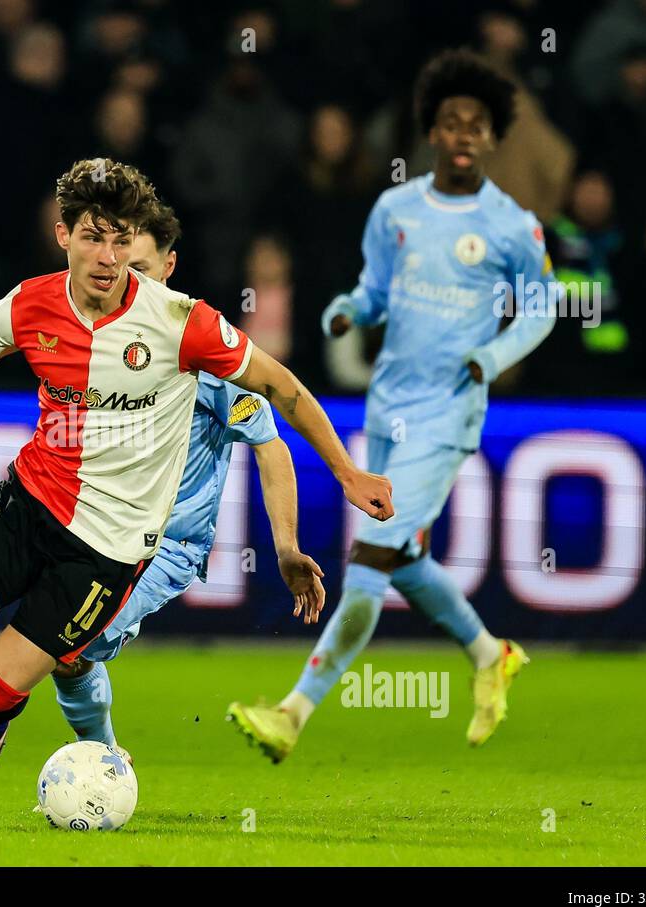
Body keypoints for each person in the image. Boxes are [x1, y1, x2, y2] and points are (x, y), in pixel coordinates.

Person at [0, 157, 392, 823]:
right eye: (94, 236)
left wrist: (345, 471)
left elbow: (281, 387)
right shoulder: (28, 305)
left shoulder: (183, 323)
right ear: (65, 236)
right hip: (27, 505)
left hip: (107, 552)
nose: (108, 256)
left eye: (121, 239)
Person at [0, 201, 324, 798]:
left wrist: (285, 545)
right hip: (83, 524)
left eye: (142, 266)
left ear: (169, 266)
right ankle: (97, 756)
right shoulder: (95, 330)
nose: (125, 275)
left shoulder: (200, 347)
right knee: (56, 649)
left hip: (164, 545)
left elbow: (270, 445)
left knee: (61, 647)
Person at [229, 50, 556, 760]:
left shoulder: (512, 225)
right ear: (431, 132)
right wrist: (347, 310)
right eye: (449, 121)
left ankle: (293, 712)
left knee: (374, 552)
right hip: (389, 407)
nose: (463, 133)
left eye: (477, 123)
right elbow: (375, 290)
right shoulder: (395, 209)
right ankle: (489, 652)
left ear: (492, 136)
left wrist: (492, 357)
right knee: (403, 554)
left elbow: (542, 308)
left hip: (450, 410)